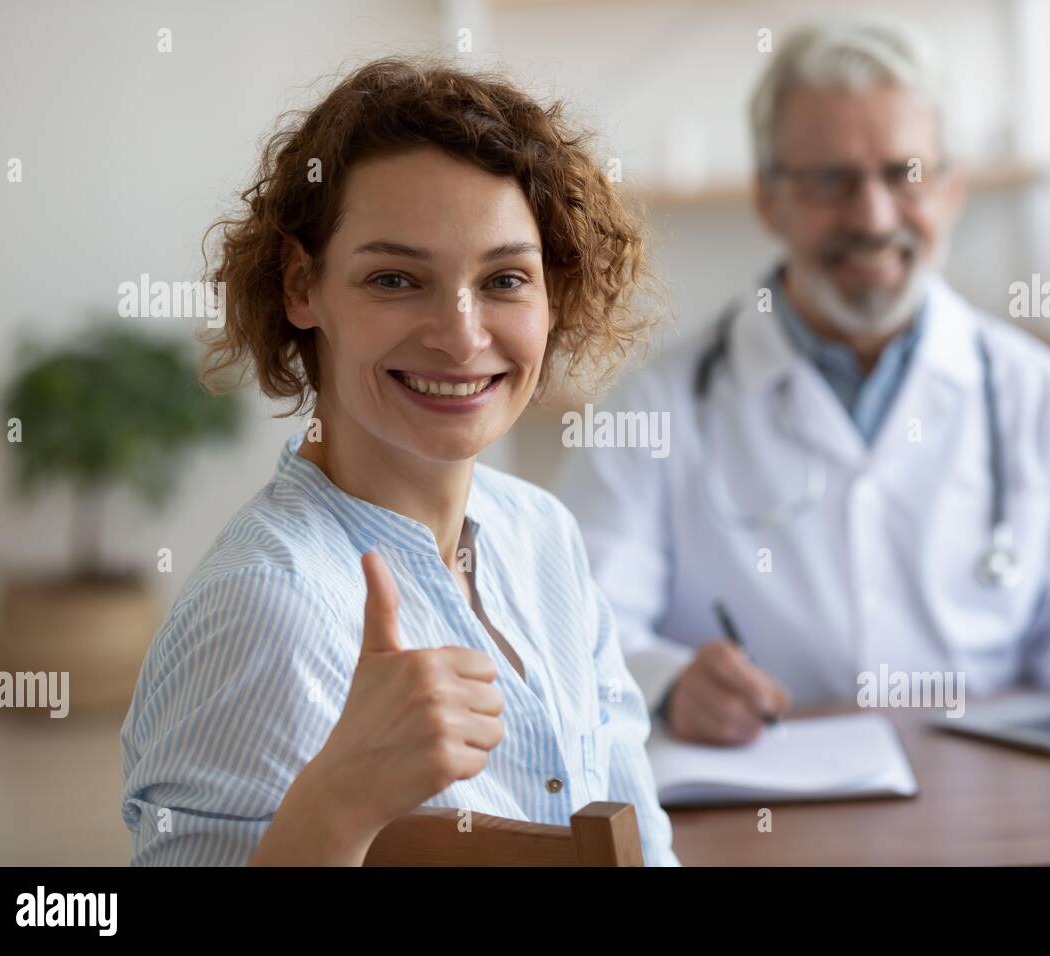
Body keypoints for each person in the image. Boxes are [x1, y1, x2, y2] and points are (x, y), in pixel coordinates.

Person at [119, 56, 677, 866]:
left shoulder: (544, 536)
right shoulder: (268, 606)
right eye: (394, 278)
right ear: (303, 287)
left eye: (505, 279)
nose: (460, 335)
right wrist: (340, 799)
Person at [556, 18, 1050, 745]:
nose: (873, 216)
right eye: (832, 180)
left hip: (995, 811)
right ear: (769, 198)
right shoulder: (654, 407)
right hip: (756, 811)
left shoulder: (1048, 403)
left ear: (951, 190)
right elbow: (579, 626)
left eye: (905, 174)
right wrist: (667, 685)